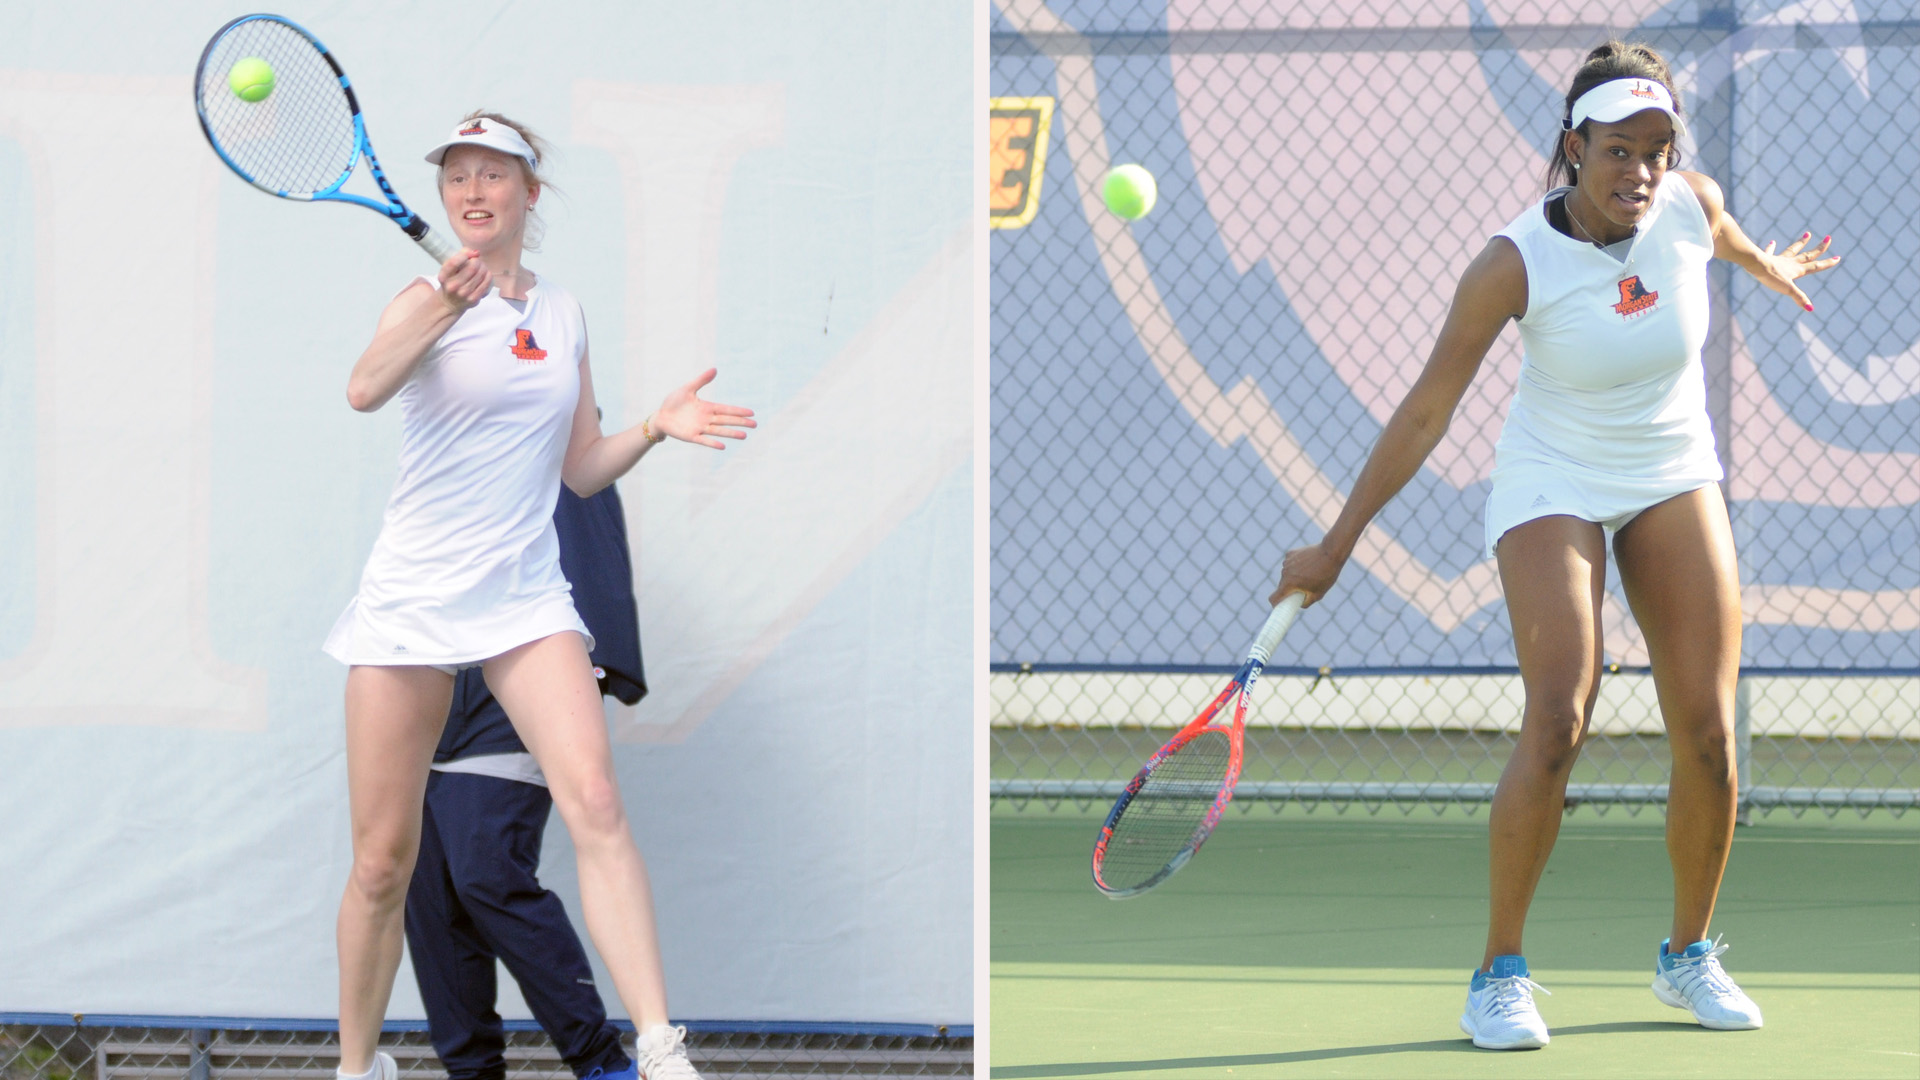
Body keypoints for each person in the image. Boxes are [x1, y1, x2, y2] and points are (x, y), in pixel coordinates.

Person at [1267, 41, 1838, 1051]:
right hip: (1553, 475)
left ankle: (1688, 955)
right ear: (1574, 148)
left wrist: (1768, 264)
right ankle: (1498, 974)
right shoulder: (1511, 263)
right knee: (1561, 710)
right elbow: (1427, 410)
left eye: (1658, 149)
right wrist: (1336, 543)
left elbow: (1728, 239)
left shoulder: (1690, 207)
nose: (1642, 171)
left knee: (1707, 730)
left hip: (1670, 467)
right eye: (1620, 149)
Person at [324, 110, 754, 1080]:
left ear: (530, 192)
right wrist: (440, 306)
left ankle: (658, 1046)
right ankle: (355, 1067)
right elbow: (363, 390)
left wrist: (653, 424)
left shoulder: (561, 313)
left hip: (523, 598)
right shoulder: (421, 294)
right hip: (412, 603)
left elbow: (581, 471)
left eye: (494, 175)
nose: (473, 191)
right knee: (382, 863)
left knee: (597, 800)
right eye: (458, 177)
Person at [404, 483, 646, 1080]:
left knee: (487, 871)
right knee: (428, 897)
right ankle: (472, 1072)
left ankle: (599, 1063)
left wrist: (588, 679)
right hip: (427, 688)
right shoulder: (447, 441)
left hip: (511, 697)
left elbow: (592, 559)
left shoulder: (553, 432)